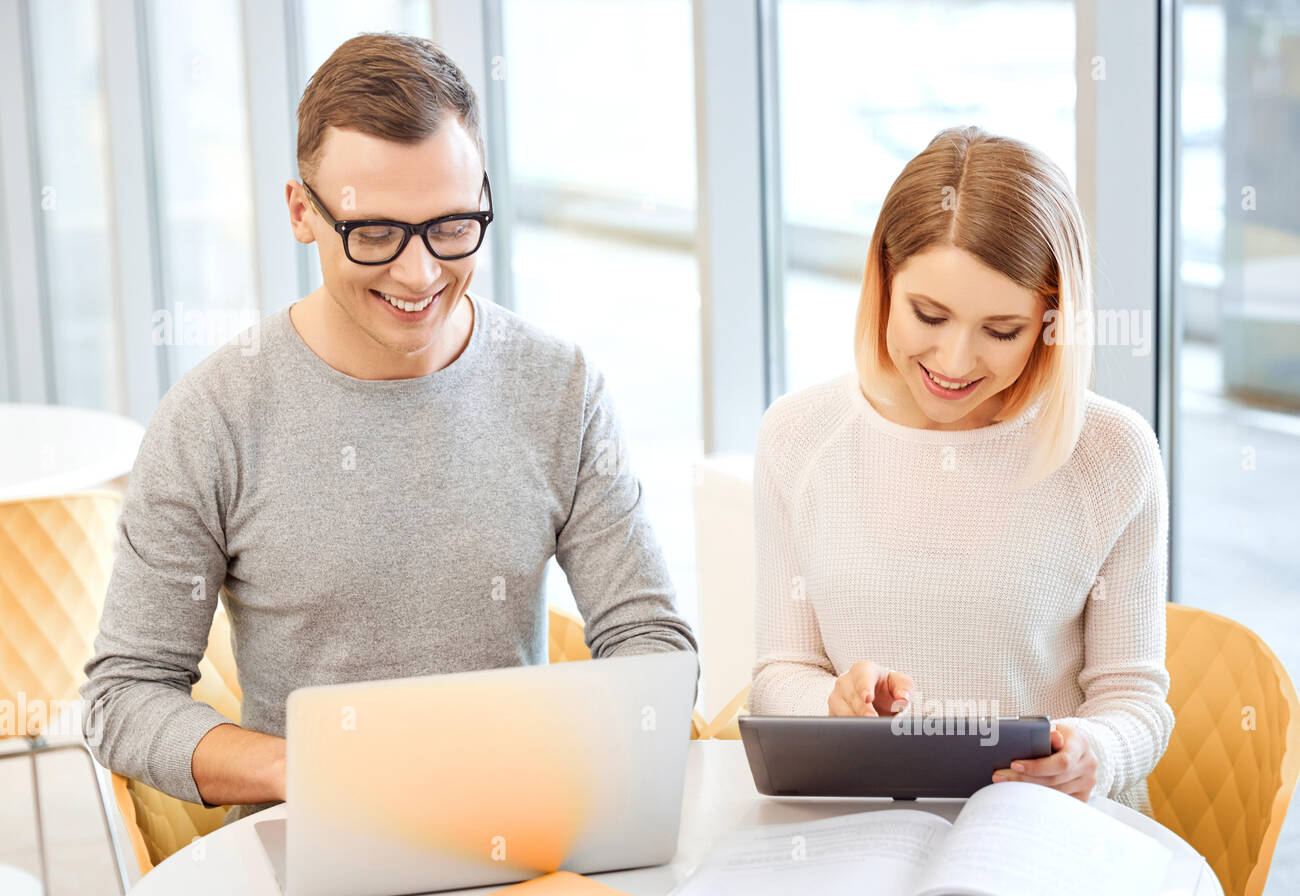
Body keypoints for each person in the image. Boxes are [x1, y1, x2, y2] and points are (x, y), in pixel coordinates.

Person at [81, 32, 697, 826]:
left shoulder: (559, 389)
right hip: (314, 854)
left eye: (450, 227)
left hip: (518, 841)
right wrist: (300, 768)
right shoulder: (213, 418)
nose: (419, 274)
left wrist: (579, 745)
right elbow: (123, 696)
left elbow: (654, 644)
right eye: (375, 233)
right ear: (303, 213)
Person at [749, 125, 1172, 815]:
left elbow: (1136, 700)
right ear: (883, 282)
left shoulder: (1113, 454)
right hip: (865, 833)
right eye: (929, 314)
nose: (953, 361)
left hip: (1044, 838)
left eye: (1001, 329)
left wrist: (1093, 752)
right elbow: (778, 673)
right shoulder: (798, 438)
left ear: (1050, 319)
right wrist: (831, 703)